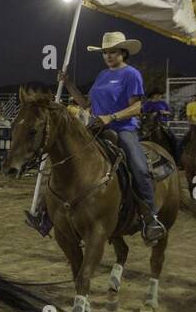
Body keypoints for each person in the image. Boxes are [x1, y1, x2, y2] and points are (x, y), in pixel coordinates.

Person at [59, 31, 167, 244]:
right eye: (105, 52)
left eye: (113, 52)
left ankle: (150, 217)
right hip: (96, 128)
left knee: (139, 166)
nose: (108, 56)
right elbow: (87, 105)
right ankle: (48, 211)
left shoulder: (131, 74)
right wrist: (69, 84)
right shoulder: (102, 75)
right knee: (66, 158)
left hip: (123, 128)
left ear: (123, 53)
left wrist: (112, 117)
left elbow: (137, 106)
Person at [141, 88, 179, 161]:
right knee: (142, 139)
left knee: (173, 138)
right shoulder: (147, 104)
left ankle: (176, 158)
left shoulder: (163, 103)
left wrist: (164, 112)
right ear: (153, 96)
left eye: (159, 95)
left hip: (162, 123)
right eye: (158, 95)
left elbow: (170, 112)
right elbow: (144, 114)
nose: (159, 96)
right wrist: (153, 114)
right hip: (150, 125)